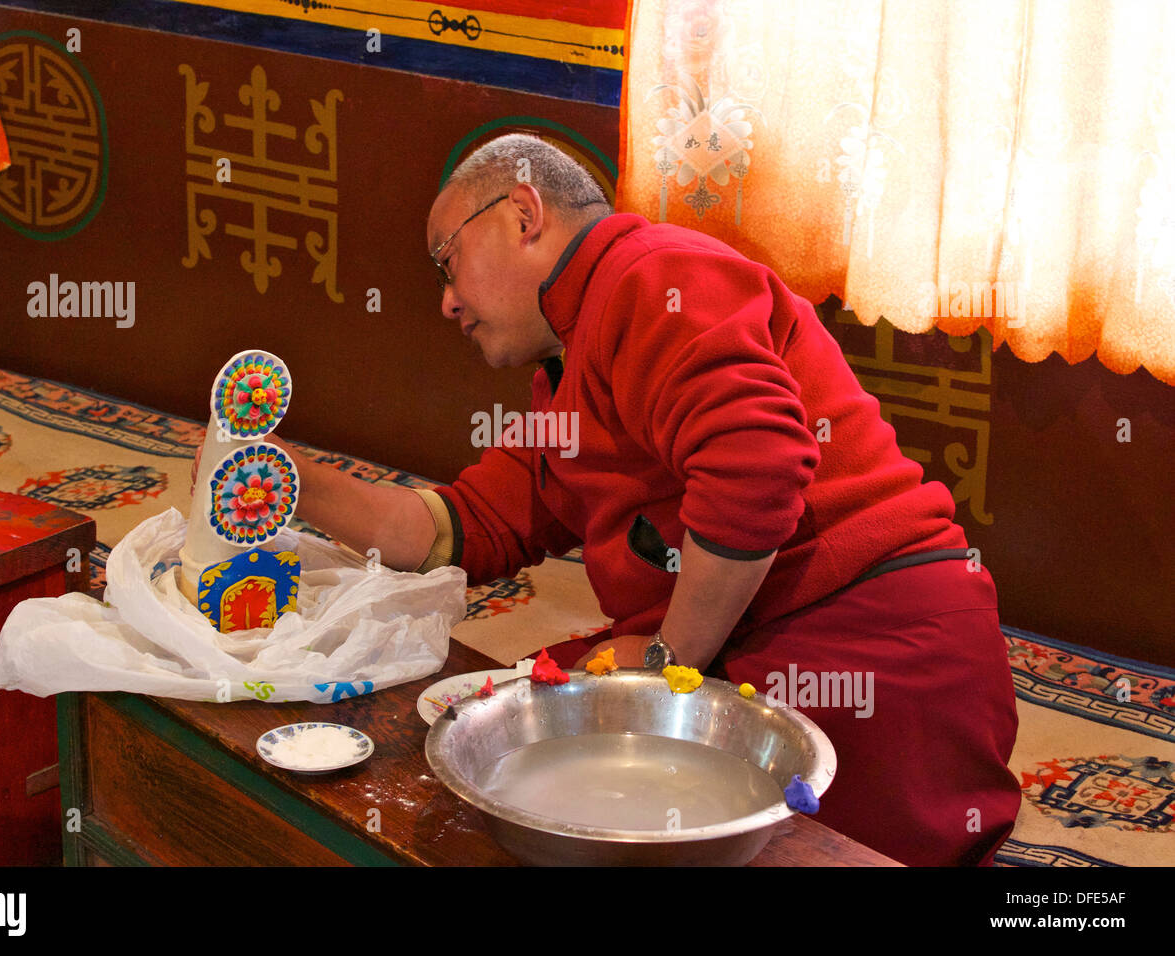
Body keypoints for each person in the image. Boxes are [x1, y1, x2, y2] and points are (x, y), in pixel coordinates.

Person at [215, 134, 1021, 866]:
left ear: (523, 212)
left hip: (870, 642)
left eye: (446, 263)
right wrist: (282, 476)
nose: (447, 302)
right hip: (756, 641)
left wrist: (668, 660)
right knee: (504, 735)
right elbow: (463, 526)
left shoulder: (654, 276)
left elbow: (758, 462)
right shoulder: (571, 368)